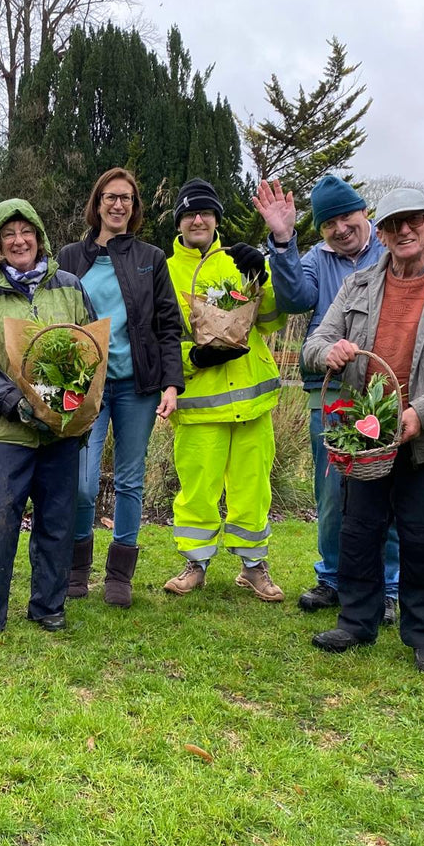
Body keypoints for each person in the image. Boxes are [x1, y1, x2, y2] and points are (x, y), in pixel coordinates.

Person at [259, 175, 424, 625]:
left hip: (420, 403)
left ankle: (393, 591)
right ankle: (338, 582)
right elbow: (297, 302)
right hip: (342, 396)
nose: (340, 228)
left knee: (411, 510)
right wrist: (283, 240)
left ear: (368, 218)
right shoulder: (324, 267)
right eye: (328, 223)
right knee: (341, 501)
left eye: (346, 216)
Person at [301, 188, 424, 677]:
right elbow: (314, 342)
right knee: (359, 532)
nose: (403, 231)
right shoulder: (357, 287)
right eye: (393, 224)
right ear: (380, 234)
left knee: (423, 538)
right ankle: (356, 621)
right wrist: (328, 353)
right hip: (367, 436)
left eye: (413, 222)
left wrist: (420, 414)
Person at [0, 199, 96, 642]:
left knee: (57, 516)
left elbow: (91, 347)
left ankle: (48, 605)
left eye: (26, 232)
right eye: (8, 235)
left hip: (62, 430)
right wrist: (16, 403)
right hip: (9, 429)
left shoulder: (71, 286)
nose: (18, 241)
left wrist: (74, 407)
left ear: (39, 236)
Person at [56, 167, 184, 607]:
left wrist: (171, 384)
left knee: (130, 480)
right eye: (110, 197)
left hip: (137, 387)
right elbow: (55, 320)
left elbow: (169, 326)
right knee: (82, 484)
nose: (117, 205)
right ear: (97, 203)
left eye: (126, 198)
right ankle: (76, 568)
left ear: (134, 206)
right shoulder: (71, 257)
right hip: (86, 389)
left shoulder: (152, 257)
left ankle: (119, 575)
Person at [163, 179, 287, 601]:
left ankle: (253, 567)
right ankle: (195, 563)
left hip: (253, 401)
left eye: (205, 212)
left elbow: (270, 320)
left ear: (216, 218)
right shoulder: (166, 271)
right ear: (179, 222)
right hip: (199, 405)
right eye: (189, 213)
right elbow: (159, 339)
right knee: (197, 487)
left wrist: (259, 275)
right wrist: (191, 359)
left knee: (253, 486)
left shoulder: (238, 260)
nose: (198, 219)